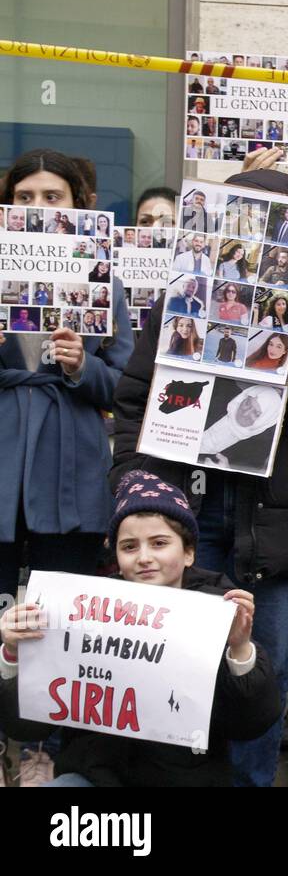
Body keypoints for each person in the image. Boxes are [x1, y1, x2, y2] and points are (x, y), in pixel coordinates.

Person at [112, 168, 288, 788]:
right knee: (176, 669)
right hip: (189, 515)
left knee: (257, 677)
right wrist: (134, 493)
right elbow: (138, 403)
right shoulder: (181, 300)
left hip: (277, 524)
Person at [0, 471, 278, 786]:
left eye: (159, 543)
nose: (144, 558)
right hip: (95, 776)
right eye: (129, 547)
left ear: (188, 553)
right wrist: (12, 654)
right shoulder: (80, 613)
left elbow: (253, 723)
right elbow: (24, 728)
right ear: (116, 557)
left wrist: (240, 649)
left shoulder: (217, 615)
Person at [0, 148, 134, 785]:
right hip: (4, 457)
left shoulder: (107, 277)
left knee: (61, 610)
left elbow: (126, 385)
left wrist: (83, 367)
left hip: (71, 466)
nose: (37, 208)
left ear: (80, 203)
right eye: (25, 197)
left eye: (52, 197)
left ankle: (48, 747)